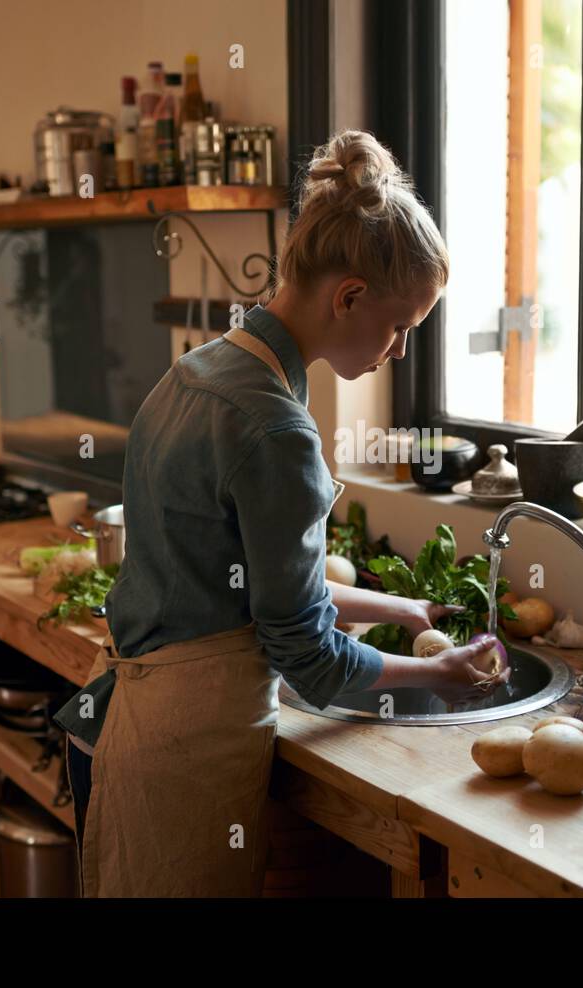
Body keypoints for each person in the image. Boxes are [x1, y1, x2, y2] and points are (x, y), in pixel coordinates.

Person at [53, 129, 508, 897]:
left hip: (126, 716)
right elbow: (310, 658)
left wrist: (400, 604)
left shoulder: (197, 371)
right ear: (350, 296)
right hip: (184, 749)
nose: (398, 352)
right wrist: (436, 677)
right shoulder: (277, 429)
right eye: (400, 327)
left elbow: (249, 586)